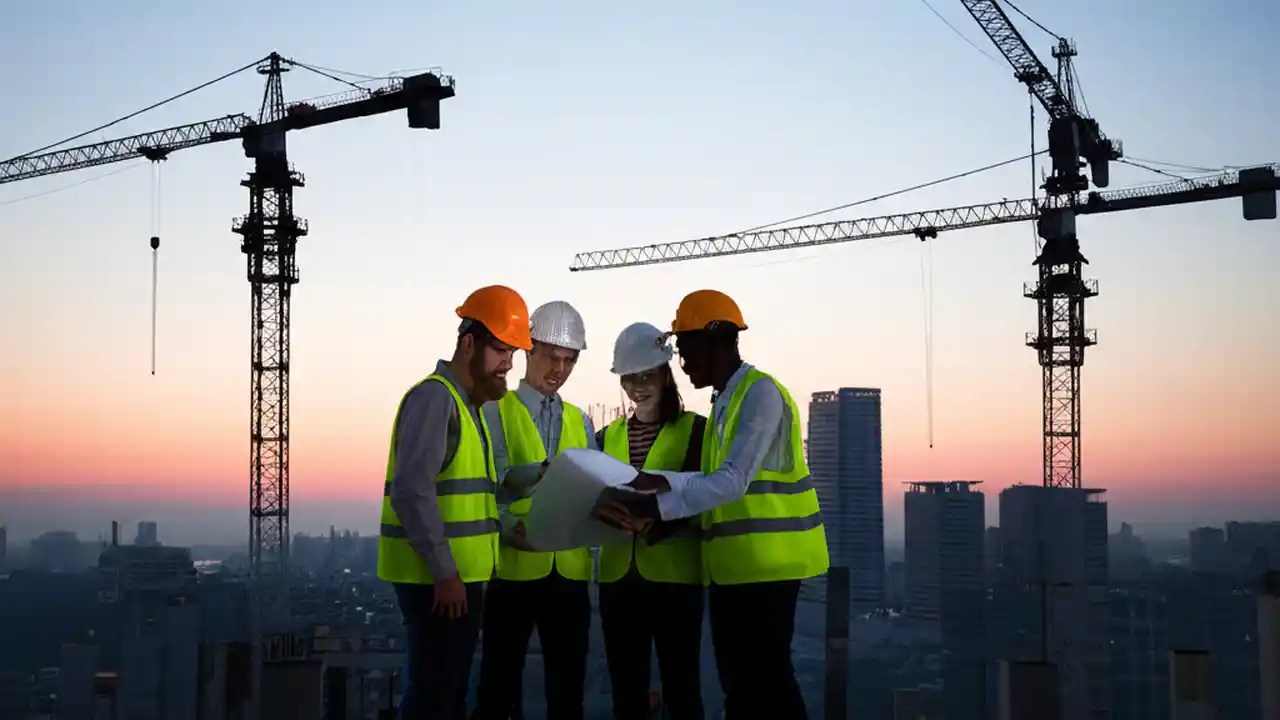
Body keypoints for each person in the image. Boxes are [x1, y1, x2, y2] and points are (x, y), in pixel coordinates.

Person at [593, 290, 829, 720]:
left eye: (685, 351)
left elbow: (732, 480)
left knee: (768, 682)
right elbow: (706, 480)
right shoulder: (725, 402)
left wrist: (655, 508)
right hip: (733, 569)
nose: (683, 363)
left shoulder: (759, 395)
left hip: (769, 567)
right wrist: (658, 483)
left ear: (717, 340)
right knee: (740, 686)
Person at [377, 284, 532, 720]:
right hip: (438, 583)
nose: (508, 364)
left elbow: (468, 495)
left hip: (454, 582)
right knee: (434, 698)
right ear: (469, 344)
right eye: (502, 350)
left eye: (513, 355)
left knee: (447, 694)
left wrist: (536, 478)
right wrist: (445, 573)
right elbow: (412, 490)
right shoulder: (434, 398)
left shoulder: (468, 407)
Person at [474, 300, 597, 720]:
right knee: (497, 691)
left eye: (570, 360)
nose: (559, 369)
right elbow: (486, 487)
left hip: (569, 574)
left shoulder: (581, 422)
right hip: (514, 571)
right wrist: (508, 528)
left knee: (567, 696)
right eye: (551, 356)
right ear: (528, 350)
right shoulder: (494, 410)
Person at [594, 322, 708, 720]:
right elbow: (589, 496)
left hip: (675, 580)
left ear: (665, 374)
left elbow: (703, 496)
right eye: (629, 379)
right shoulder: (605, 437)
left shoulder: (696, 430)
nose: (637, 387)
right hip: (617, 581)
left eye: (646, 376)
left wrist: (656, 525)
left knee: (682, 691)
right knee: (627, 694)